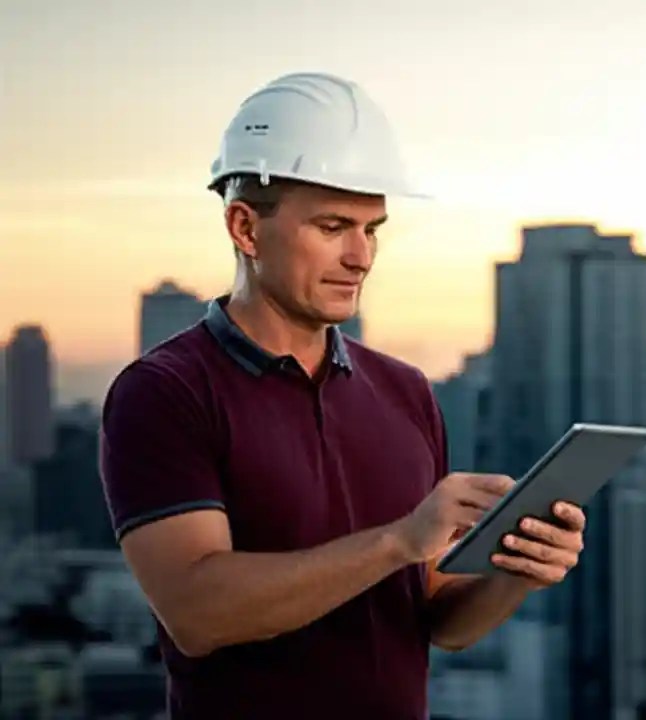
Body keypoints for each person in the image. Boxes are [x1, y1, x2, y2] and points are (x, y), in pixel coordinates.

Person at [98, 72, 587, 719]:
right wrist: (399, 541)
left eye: (372, 228)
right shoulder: (165, 394)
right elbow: (198, 613)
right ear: (245, 228)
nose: (361, 256)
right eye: (333, 227)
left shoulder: (405, 392)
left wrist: (518, 571)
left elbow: (442, 621)